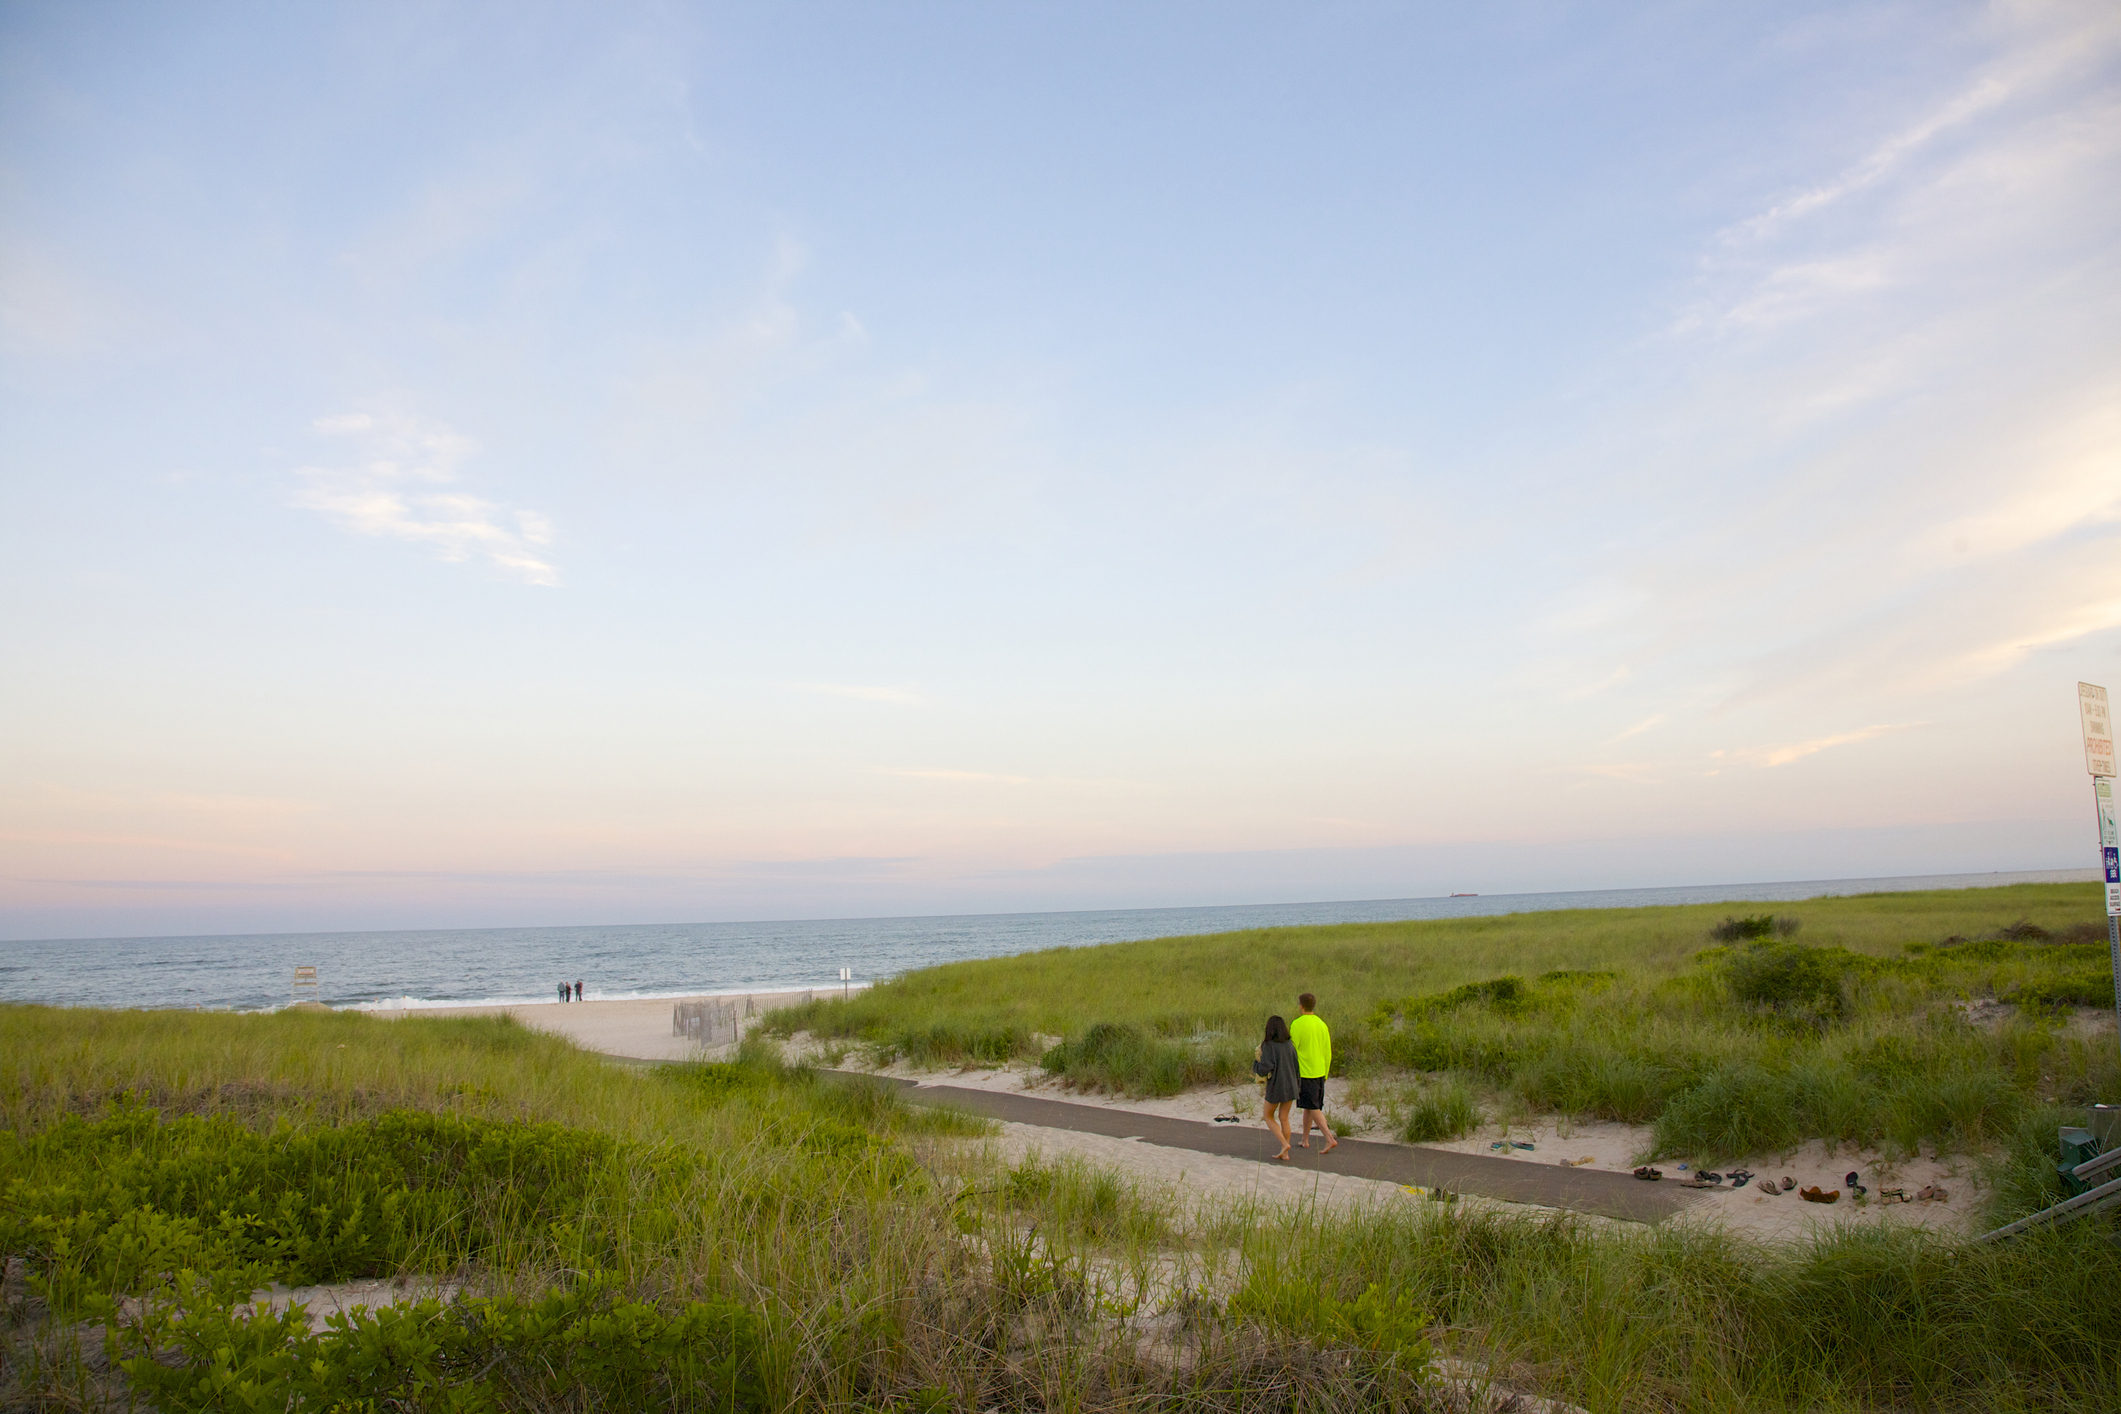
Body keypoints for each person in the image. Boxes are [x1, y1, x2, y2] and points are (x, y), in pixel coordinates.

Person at [1288, 992, 1336, 1153]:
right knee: (1308, 1106)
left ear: (1301, 1006)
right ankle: (1305, 1139)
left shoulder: (1297, 1024)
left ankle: (1329, 1138)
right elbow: (1327, 1051)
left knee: (1313, 1107)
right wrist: (1326, 1072)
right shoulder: (1322, 1024)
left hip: (1305, 1072)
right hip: (1320, 1071)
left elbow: (1292, 1049)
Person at [1255, 1015, 1299, 1160]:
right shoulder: (1290, 1044)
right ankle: (1285, 1152)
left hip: (1276, 1085)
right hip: (1291, 1084)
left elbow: (1266, 1067)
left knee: (1268, 1116)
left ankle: (1284, 1144)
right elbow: (1296, 1067)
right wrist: (1297, 1085)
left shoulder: (1268, 1045)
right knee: (1284, 1117)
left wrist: (1256, 1065)